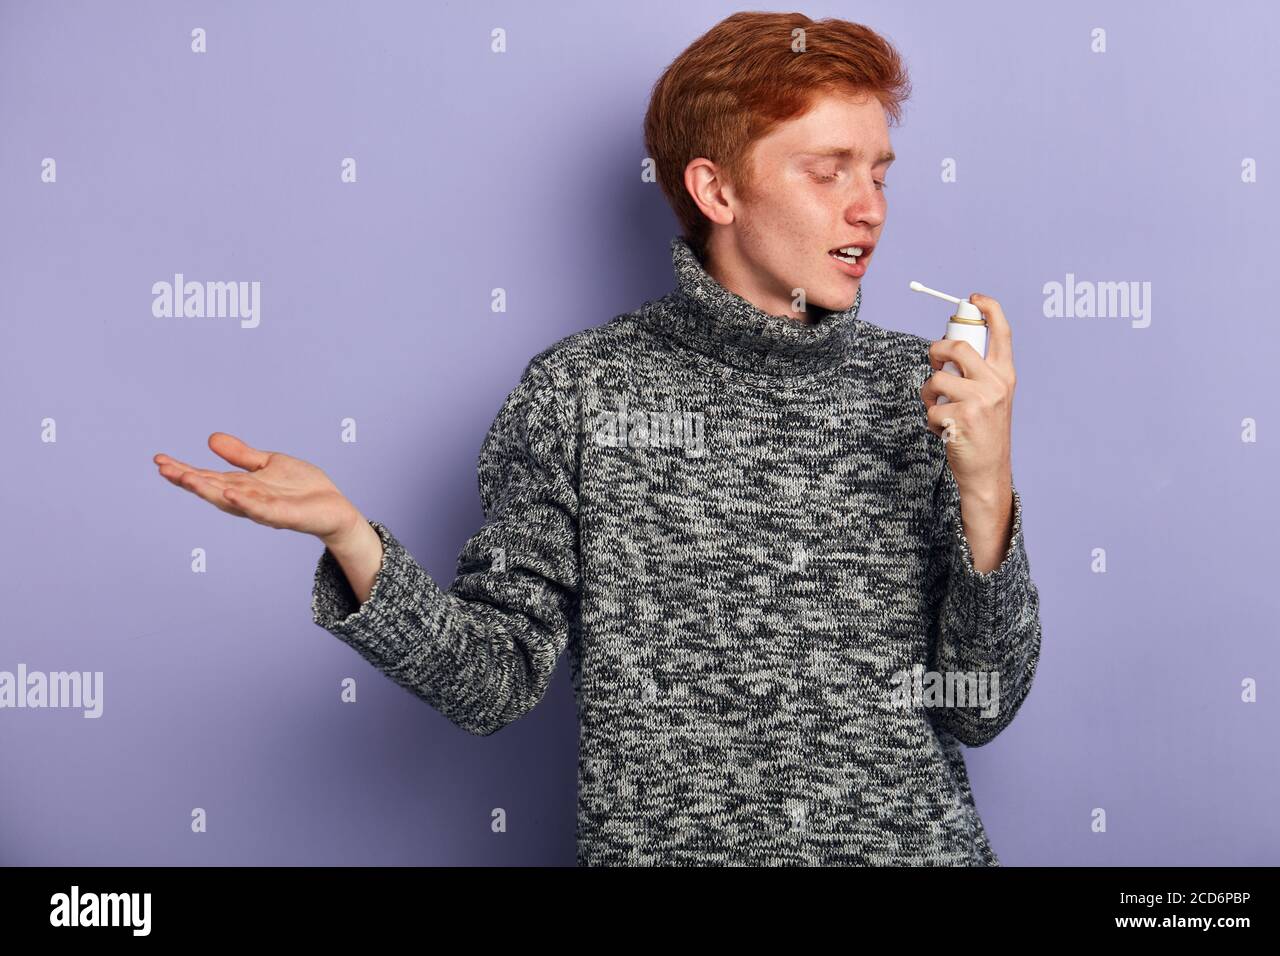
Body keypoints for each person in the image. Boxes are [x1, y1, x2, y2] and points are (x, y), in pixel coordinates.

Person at [154, 11, 1041, 866]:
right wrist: (353, 540)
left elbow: (981, 708)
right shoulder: (580, 392)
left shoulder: (927, 392)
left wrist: (986, 483)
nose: (870, 209)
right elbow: (492, 680)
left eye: (879, 173)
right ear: (717, 189)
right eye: (830, 171)